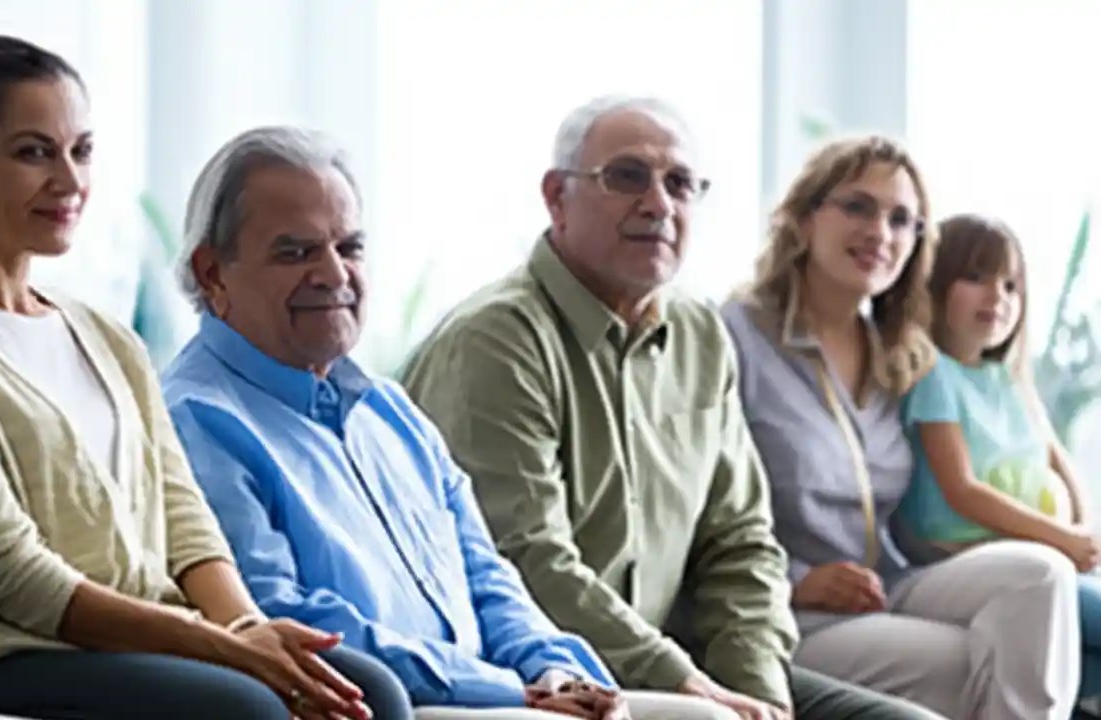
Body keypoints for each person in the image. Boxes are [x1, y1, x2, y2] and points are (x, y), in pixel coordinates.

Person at [0, 35, 411, 720]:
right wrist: (225, 651)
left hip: (162, 635)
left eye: (81, 151)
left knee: (375, 693)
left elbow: (186, 522)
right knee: (250, 709)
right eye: (34, 152)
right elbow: (7, 572)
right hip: (26, 648)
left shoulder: (107, 335)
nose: (69, 181)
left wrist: (244, 628)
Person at [162, 124, 745, 719]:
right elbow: (290, 620)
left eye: (350, 248)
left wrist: (557, 670)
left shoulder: (388, 411)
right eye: (296, 252)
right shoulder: (195, 420)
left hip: (498, 694)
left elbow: (488, 576)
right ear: (213, 273)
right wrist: (506, 690)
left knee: (709, 719)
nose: (335, 275)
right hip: (385, 703)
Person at [402, 96, 938, 720]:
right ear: (556, 197)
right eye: (627, 176)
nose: (659, 203)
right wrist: (684, 682)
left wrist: (759, 693)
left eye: (680, 184)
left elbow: (740, 541)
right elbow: (527, 560)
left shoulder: (699, 333)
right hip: (546, 676)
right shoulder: (495, 342)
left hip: (686, 666)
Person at [718, 138, 1081, 719]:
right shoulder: (733, 338)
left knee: (1041, 575)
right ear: (805, 219)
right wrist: (796, 579)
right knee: (969, 662)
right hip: (786, 609)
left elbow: (915, 513)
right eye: (858, 207)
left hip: (891, 582)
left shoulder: (900, 356)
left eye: (901, 219)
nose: (880, 232)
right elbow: (695, 510)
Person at [894, 213, 1101, 707]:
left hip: (1049, 559)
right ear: (936, 284)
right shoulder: (932, 374)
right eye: (976, 277)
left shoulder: (1009, 381)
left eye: (1011, 285)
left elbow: (1062, 466)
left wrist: (1083, 537)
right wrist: (1061, 539)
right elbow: (961, 489)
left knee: (1085, 666)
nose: (997, 297)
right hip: (968, 561)